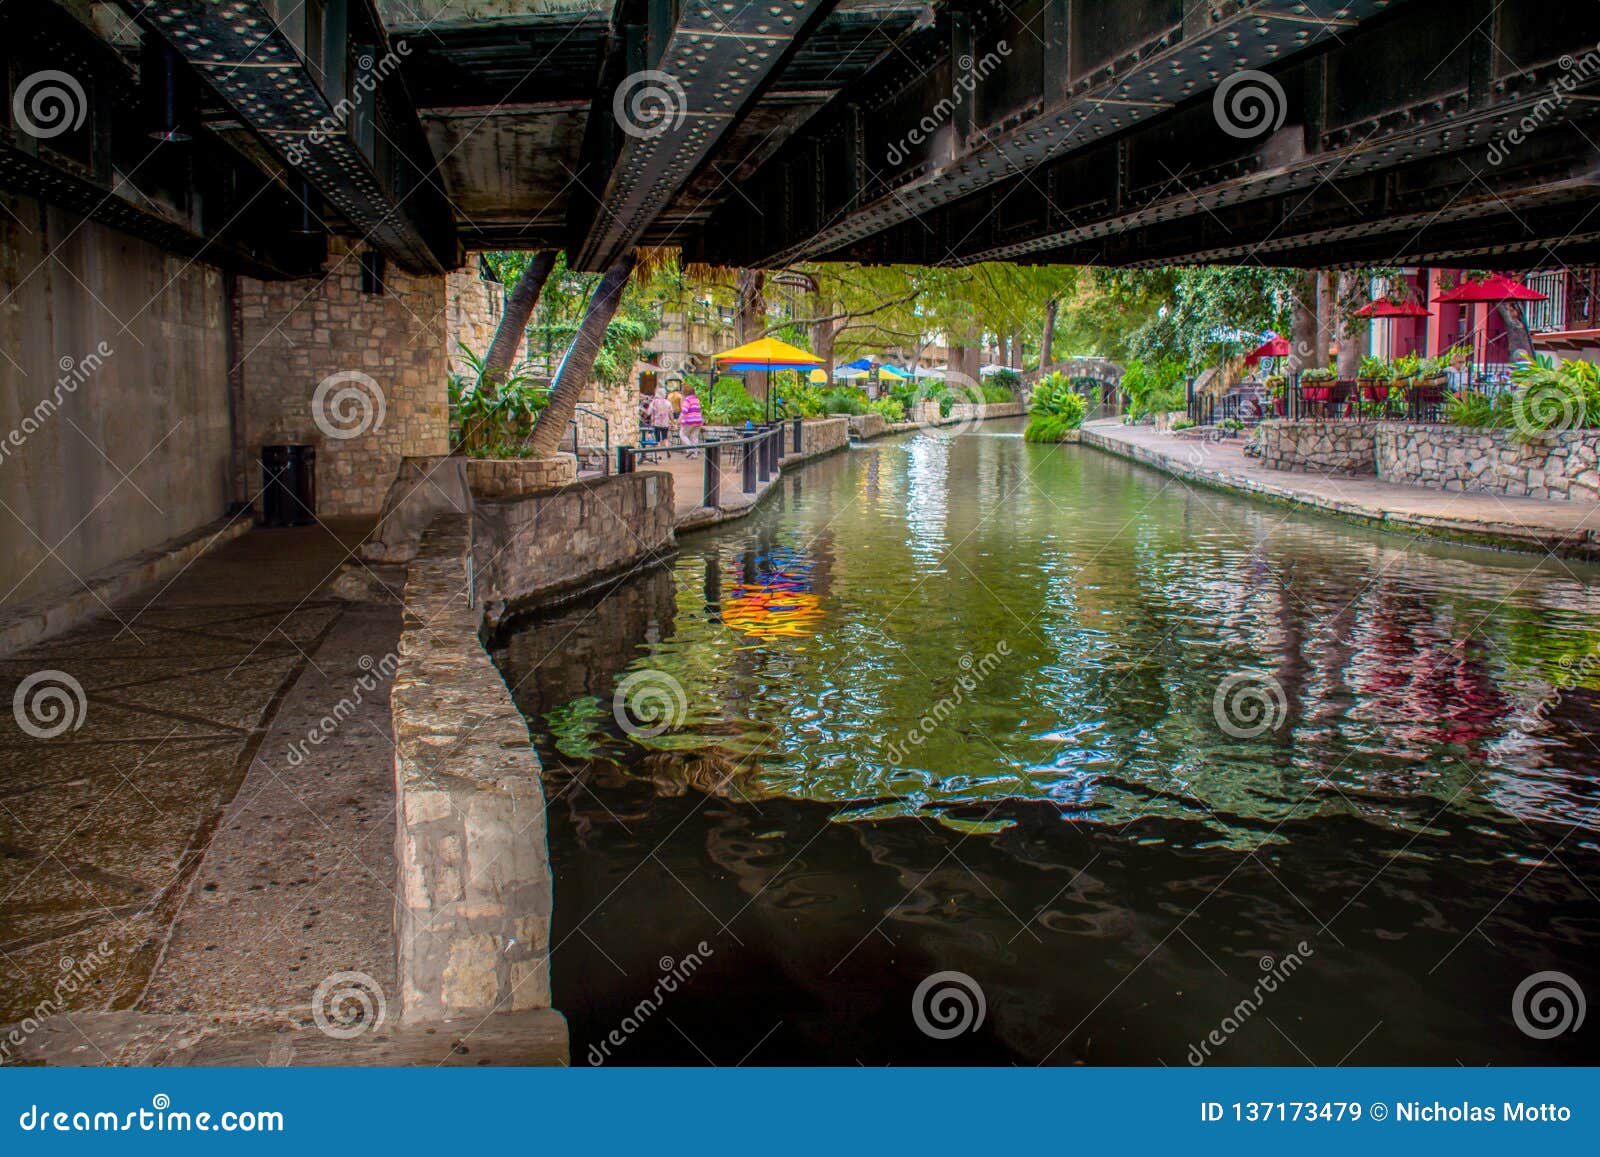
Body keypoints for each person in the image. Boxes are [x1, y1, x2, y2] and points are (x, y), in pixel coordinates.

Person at [678, 387, 704, 456]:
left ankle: (690, 449)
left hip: (689, 420)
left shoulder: (688, 399)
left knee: (682, 434)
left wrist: (679, 420)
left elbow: (684, 410)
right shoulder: (696, 399)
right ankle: (694, 454)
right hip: (698, 420)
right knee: (694, 436)